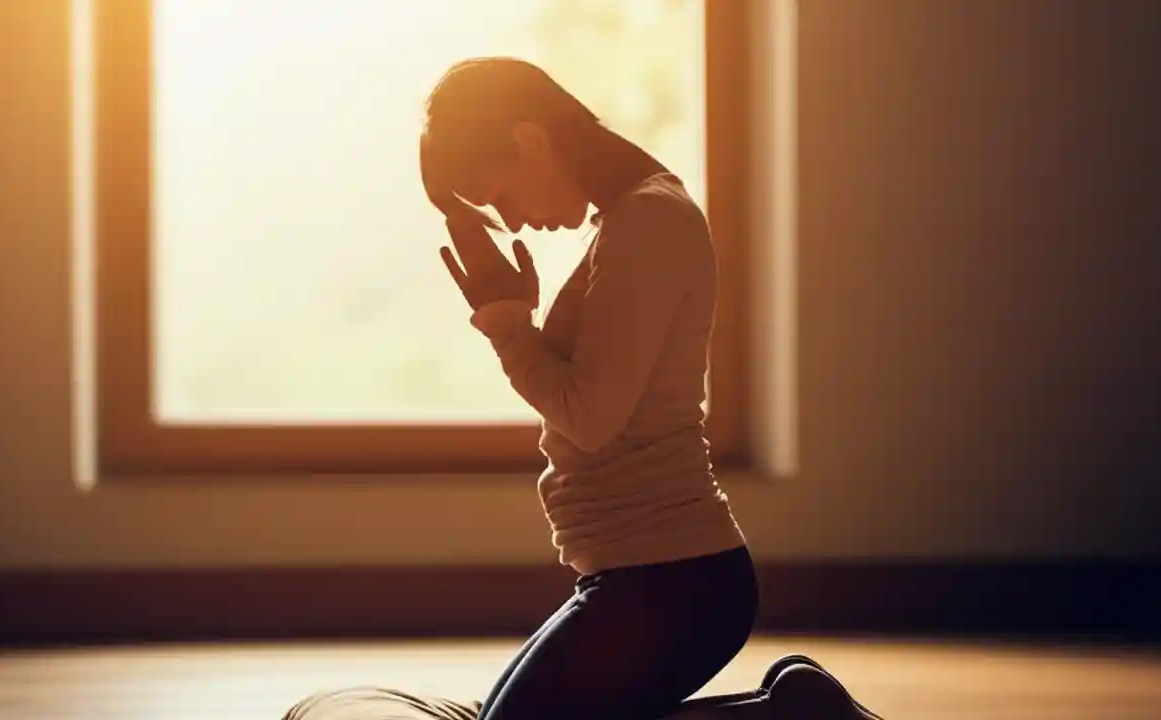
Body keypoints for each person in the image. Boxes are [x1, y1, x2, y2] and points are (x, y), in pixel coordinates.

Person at [283, 57, 882, 720]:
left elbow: (589, 418)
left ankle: (798, 715)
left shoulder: (649, 222)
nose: (512, 220)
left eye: (501, 195)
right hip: (638, 577)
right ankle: (793, 706)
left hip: (674, 582)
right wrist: (513, 322)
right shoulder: (630, 221)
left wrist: (510, 328)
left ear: (531, 140)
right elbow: (598, 405)